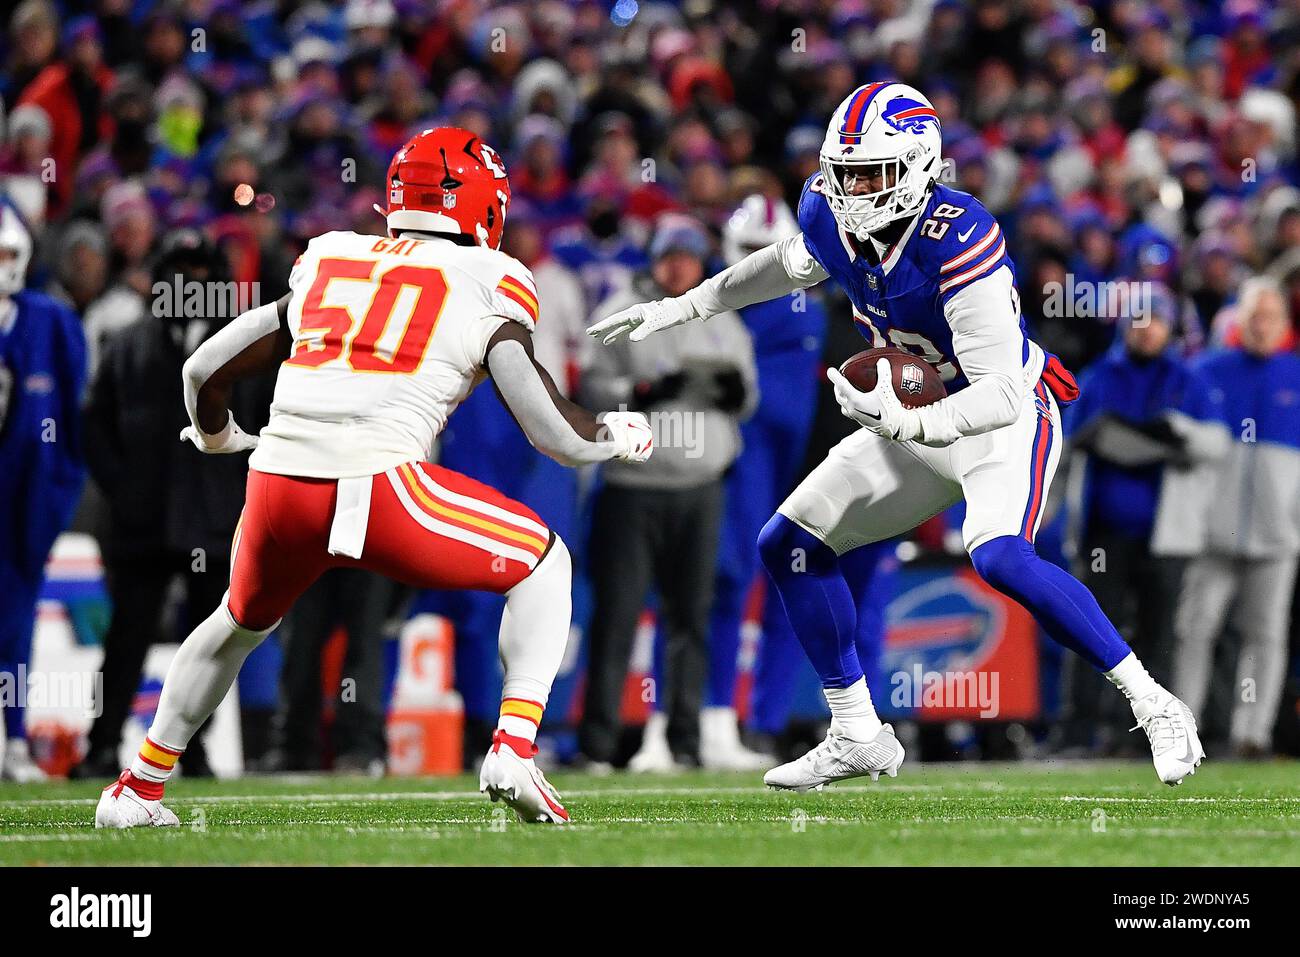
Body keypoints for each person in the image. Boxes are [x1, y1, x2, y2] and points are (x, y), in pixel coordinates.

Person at [590, 82, 1203, 789]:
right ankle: (856, 730)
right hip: (912, 414)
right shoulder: (830, 214)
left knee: (998, 555)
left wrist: (911, 421)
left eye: (871, 173)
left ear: (918, 165)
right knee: (788, 544)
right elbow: (785, 264)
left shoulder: (959, 235)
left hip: (1006, 413)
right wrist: (681, 308)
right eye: (842, 172)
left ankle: (1153, 703)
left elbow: (1000, 393)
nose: (851, 190)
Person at [94, 127, 653, 828]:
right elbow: (552, 432)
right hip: (379, 482)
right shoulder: (493, 277)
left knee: (235, 622)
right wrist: (610, 433)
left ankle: (137, 787)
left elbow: (201, 367)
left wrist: (217, 434)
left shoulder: (331, 255)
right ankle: (512, 747)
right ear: (481, 204)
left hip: (276, 483)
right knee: (544, 562)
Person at [73, 230, 270, 780]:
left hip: (215, 518)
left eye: (203, 271)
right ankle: (102, 745)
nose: (193, 282)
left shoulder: (243, 348)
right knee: (127, 637)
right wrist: (124, 488)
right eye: (181, 270)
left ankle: (196, 750)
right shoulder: (131, 341)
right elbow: (95, 424)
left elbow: (265, 424)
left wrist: (241, 493)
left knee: (213, 638)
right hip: (145, 520)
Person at [580, 216, 757, 771]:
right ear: (654, 260)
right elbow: (587, 383)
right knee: (619, 614)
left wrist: (735, 392)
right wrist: (641, 392)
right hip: (634, 487)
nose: (680, 265)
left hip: (701, 488)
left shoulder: (722, 316)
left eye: (689, 255)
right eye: (670, 255)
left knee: (691, 617)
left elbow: (748, 396)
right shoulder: (618, 311)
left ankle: (685, 740)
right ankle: (598, 746)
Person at [1061, 290, 1230, 753]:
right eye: (1138, 320)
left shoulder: (1188, 380)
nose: (1146, 328)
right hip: (1103, 533)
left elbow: (1217, 446)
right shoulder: (1099, 377)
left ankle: (1145, 738)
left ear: (1169, 327)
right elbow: (1065, 445)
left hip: (1167, 537)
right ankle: (1080, 732)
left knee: (1159, 639)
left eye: (1156, 320)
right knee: (1090, 632)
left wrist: (1179, 429)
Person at [705, 194, 826, 769]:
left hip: (805, 467)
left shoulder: (810, 308)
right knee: (730, 587)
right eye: (752, 253)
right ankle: (717, 721)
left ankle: (760, 725)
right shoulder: (728, 313)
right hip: (743, 465)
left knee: (792, 593)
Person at [1172, 277, 1300, 757]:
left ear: (1285, 325)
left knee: (1266, 635)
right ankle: (1184, 729)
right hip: (1214, 535)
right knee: (1194, 630)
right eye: (1254, 316)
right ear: (1238, 322)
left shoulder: (1296, 376)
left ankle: (1253, 735)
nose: (1262, 326)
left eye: (1271, 317)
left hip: (1279, 538)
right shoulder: (1207, 372)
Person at [0, 202, 86, 781]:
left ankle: (11, 740)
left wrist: (57, 490)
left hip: (22, 499)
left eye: (8, 253)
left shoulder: (49, 319)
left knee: (13, 625)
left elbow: (73, 408)